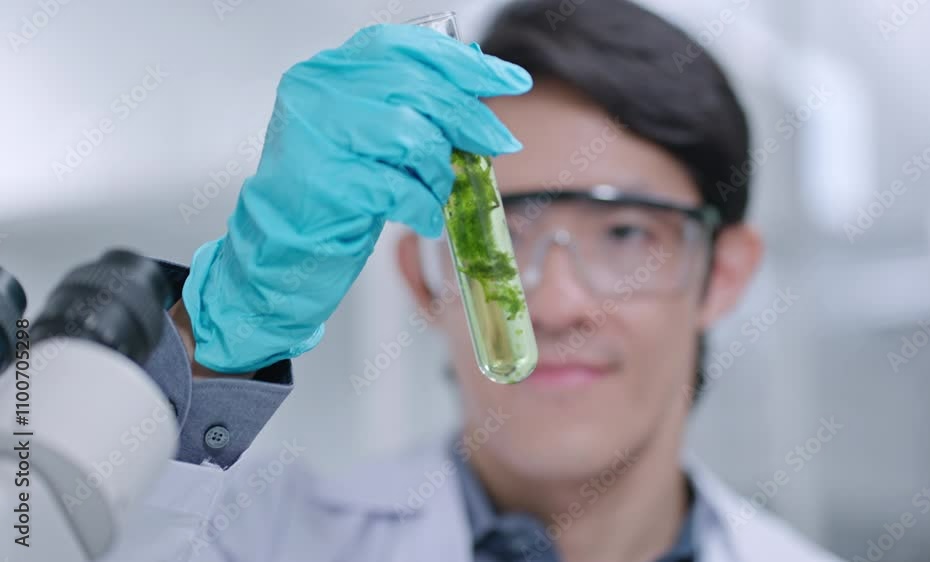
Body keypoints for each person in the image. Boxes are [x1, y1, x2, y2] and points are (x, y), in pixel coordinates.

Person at [105, 0, 842, 560]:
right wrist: (222, 332)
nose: (553, 304)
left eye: (625, 236)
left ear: (723, 274)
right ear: (424, 282)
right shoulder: (261, 537)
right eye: (500, 234)